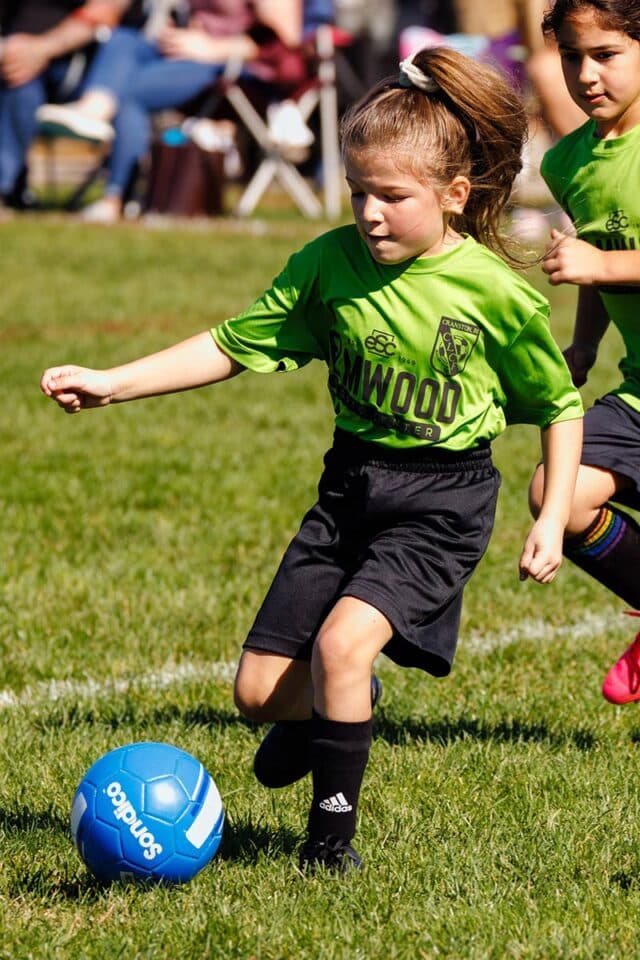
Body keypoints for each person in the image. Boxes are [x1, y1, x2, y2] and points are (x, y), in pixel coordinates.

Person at [40, 46, 583, 873]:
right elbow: (230, 345)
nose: (369, 213)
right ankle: (346, 702)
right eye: (358, 191)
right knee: (257, 695)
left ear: (453, 196)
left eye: (392, 197)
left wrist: (550, 518)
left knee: (340, 645)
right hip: (350, 487)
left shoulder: (493, 291)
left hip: (442, 502)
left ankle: (329, 850)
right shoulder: (328, 265)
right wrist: (116, 383)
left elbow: (557, 405)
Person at [528, 0, 640, 705]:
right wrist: (584, 343)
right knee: (556, 494)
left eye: (606, 54)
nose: (586, 74)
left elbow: (601, 260)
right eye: (572, 57)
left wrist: (598, 265)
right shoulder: (569, 160)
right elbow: (601, 253)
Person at [35, 0, 305, 223]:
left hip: (236, 68)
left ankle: (114, 196)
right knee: (123, 41)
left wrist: (213, 47)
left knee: (131, 91)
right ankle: (94, 108)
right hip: (188, 57)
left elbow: (285, 37)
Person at [0, 0, 135, 208]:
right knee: (20, 87)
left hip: (78, 68)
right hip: (13, 57)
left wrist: (41, 49)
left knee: (19, 81)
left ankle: (6, 185)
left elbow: (107, 9)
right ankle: (8, 187)